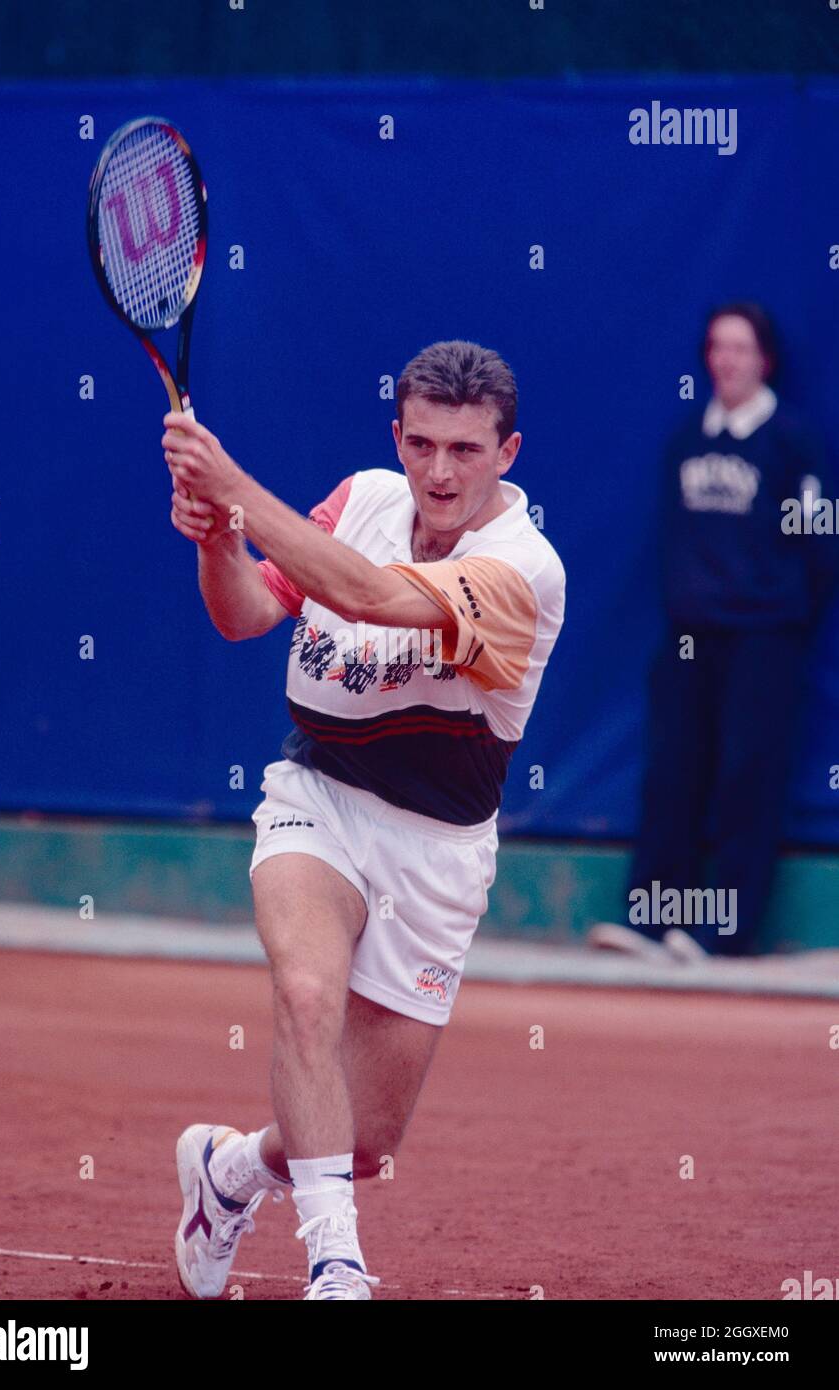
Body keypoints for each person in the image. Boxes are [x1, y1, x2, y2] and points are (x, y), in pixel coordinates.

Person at [162, 341, 566, 1299]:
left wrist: (233, 487)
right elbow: (249, 612)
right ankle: (336, 1266)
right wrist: (222, 539)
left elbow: (371, 595)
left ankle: (226, 1174)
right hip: (319, 801)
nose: (438, 471)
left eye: (466, 450)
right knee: (306, 993)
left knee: (369, 1141)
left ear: (508, 453)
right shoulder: (361, 499)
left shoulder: (524, 569)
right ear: (397, 436)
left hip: (439, 846)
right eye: (421, 443)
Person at [591, 303, 837, 965]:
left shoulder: (793, 440)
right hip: (690, 637)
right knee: (672, 774)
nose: (727, 360)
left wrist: (779, 617)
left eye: (741, 347)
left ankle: (721, 933)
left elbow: (820, 546)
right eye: (717, 347)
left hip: (764, 639)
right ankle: (651, 919)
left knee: (746, 778)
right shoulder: (687, 440)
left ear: (765, 359)